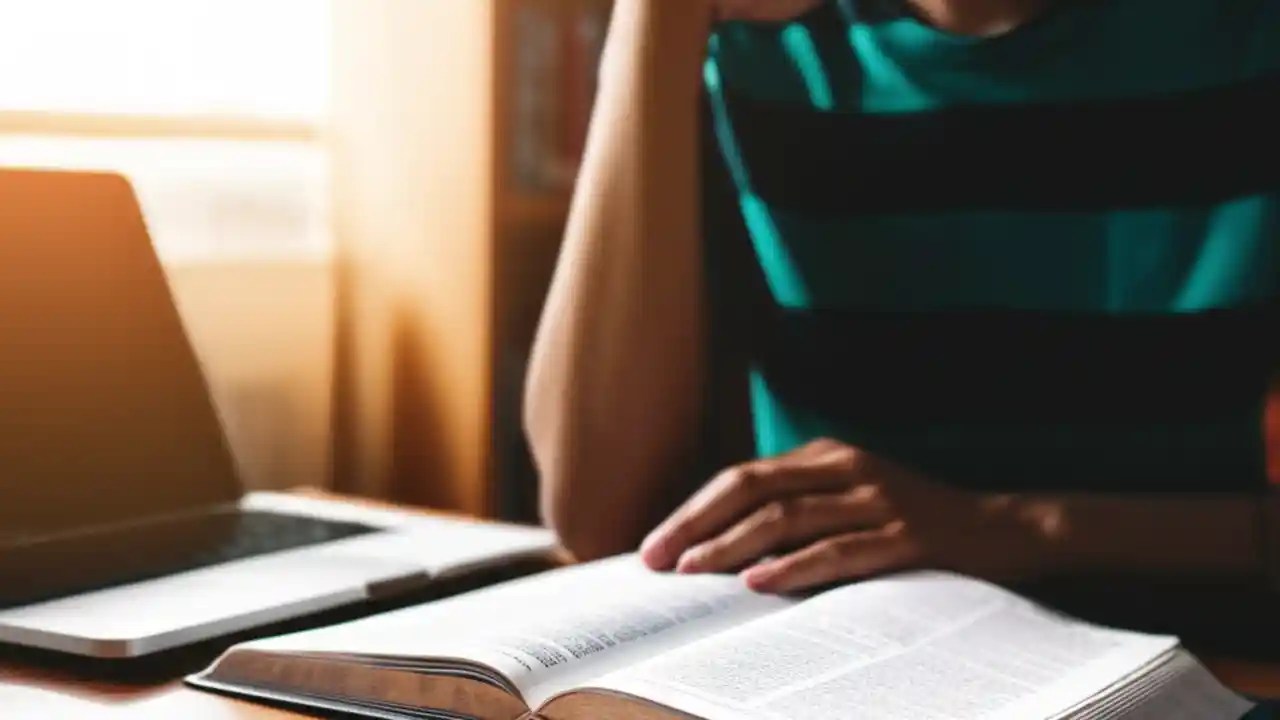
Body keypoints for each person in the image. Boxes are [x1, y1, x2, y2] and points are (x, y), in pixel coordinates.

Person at [524, 0, 1280, 594]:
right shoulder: (756, 39)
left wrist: (1026, 528)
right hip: (833, 662)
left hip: (1199, 656)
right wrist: (654, 14)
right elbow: (599, 516)